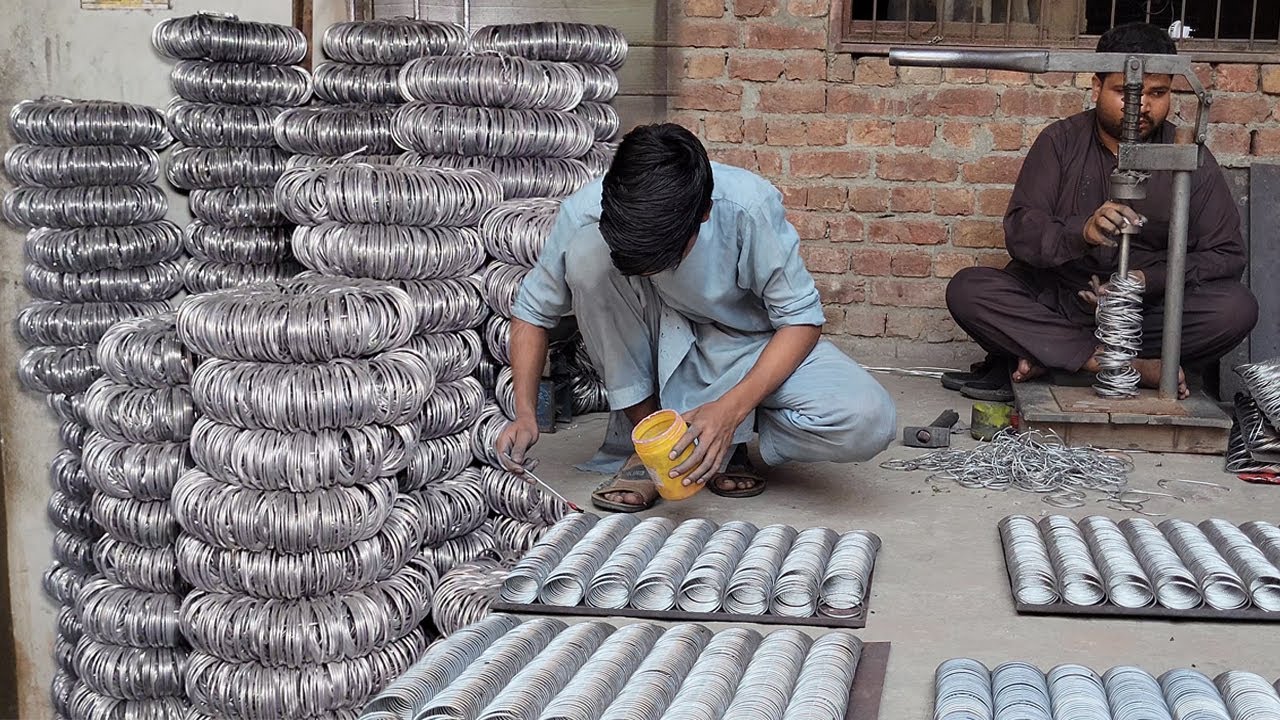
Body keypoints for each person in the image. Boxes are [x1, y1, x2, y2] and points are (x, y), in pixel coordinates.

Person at [494, 123, 897, 512]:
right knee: (586, 254)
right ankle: (650, 441)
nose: (653, 270)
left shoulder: (746, 206)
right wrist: (525, 414)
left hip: (741, 348)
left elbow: (802, 321)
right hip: (649, 340)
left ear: (703, 214)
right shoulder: (585, 210)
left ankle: (727, 440)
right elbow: (531, 314)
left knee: (868, 420)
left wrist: (732, 411)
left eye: (664, 257)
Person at [944, 22, 1257, 402]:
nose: (1141, 104)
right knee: (969, 290)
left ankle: (1056, 357)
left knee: (1235, 309)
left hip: (1144, 316)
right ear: (1096, 88)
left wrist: (1144, 280)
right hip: (1061, 304)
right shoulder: (1059, 142)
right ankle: (1129, 366)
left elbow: (1226, 256)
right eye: (1125, 91)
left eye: (1157, 93)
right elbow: (1022, 234)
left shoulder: (1189, 157)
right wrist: (1082, 233)